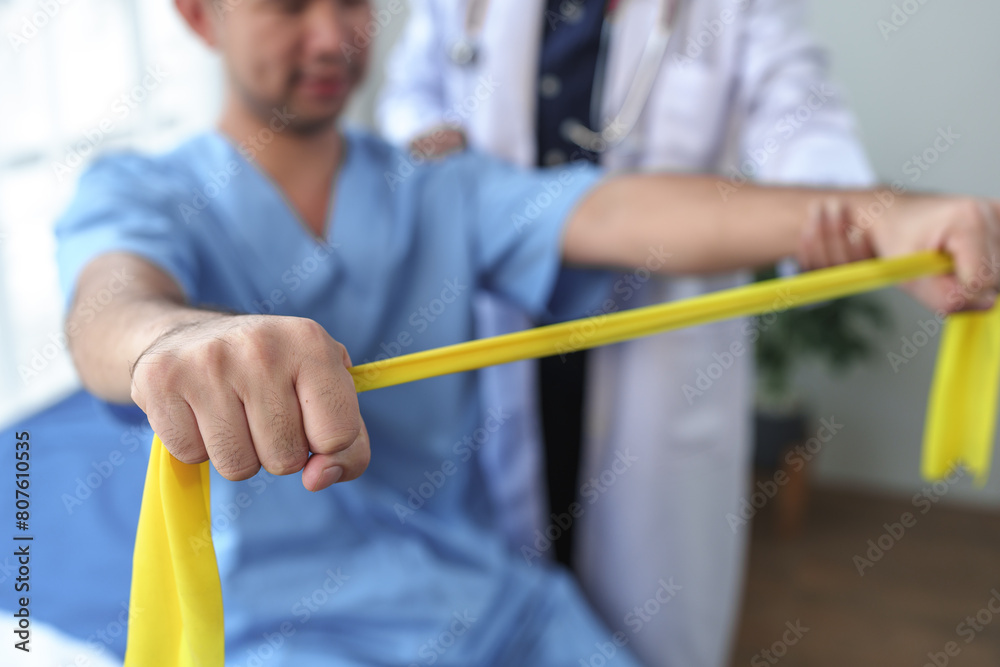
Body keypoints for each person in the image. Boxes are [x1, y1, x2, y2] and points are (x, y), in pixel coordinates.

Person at [55, 0, 998, 664]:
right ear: (193, 13)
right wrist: (167, 344)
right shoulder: (143, 192)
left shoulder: (440, 191)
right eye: (289, 3)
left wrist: (885, 215)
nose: (333, 34)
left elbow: (629, 210)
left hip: (498, 607)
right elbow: (108, 306)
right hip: (299, 635)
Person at [377, 2, 876, 663]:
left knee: (651, 616)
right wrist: (427, 137)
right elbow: (408, 94)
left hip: (659, 339)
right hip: (506, 324)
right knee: (504, 604)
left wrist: (827, 200)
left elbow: (798, 109)